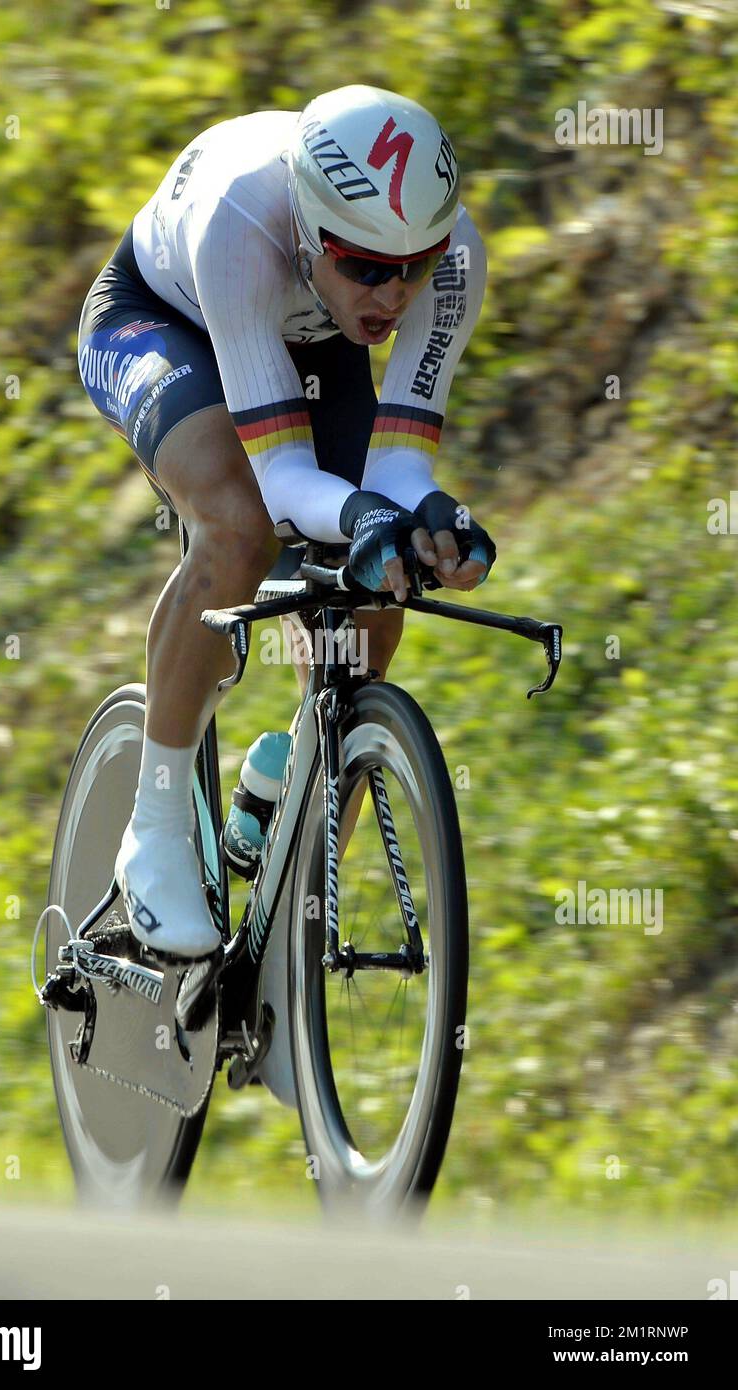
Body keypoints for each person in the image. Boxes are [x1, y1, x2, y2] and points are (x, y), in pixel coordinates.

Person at [76, 84, 496, 959]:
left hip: (313, 333)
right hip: (166, 320)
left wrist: (432, 513)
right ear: (311, 231)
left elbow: (399, 464)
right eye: (367, 266)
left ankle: (295, 854)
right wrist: (368, 507)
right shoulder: (244, 218)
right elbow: (283, 482)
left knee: (384, 570)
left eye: (414, 266)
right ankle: (152, 830)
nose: (394, 291)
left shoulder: (451, 261)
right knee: (238, 526)